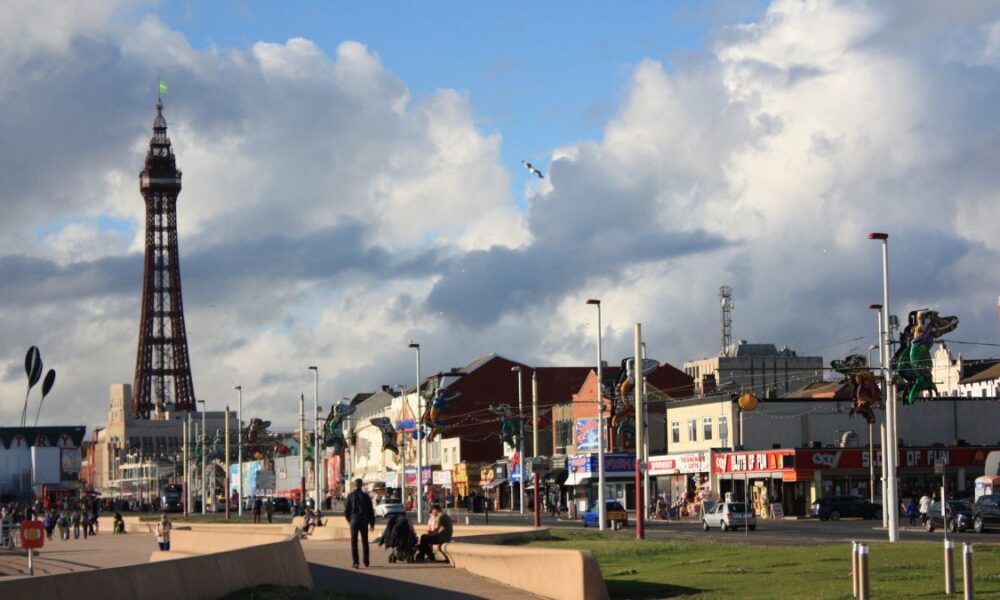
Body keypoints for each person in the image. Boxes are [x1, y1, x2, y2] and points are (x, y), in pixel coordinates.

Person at [344, 478, 375, 569]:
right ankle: (366, 561)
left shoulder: (350, 496)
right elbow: (370, 510)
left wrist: (350, 520)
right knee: (365, 541)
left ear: (355, 485)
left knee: (354, 542)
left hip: (354, 520)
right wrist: (372, 523)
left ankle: (356, 562)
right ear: (361, 485)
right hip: (364, 520)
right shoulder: (366, 496)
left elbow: (346, 511)